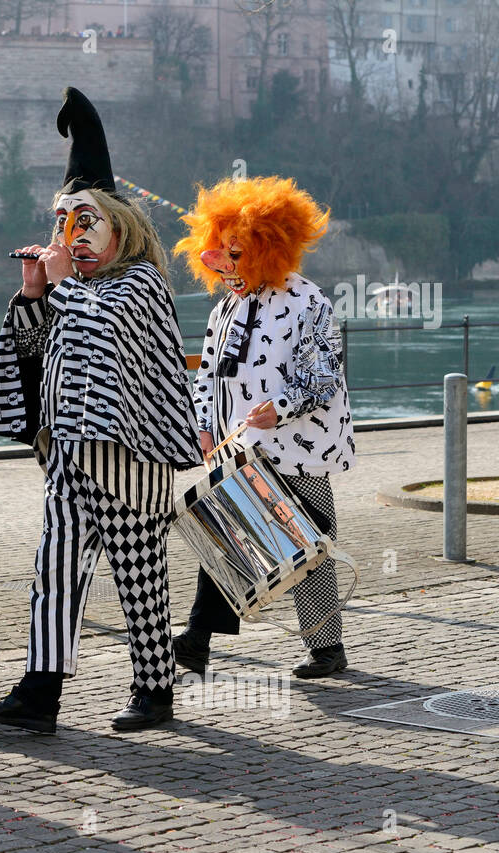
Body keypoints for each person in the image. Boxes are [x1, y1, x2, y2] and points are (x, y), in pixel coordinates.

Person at [0, 88, 201, 733]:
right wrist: (32, 295)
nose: (74, 237)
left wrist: (64, 287)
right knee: (55, 570)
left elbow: (103, 330)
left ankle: (154, 692)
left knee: (140, 582)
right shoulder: (74, 290)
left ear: (119, 229)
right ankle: (40, 693)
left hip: (130, 463)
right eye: (66, 226)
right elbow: (35, 352)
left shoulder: (140, 285)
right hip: (70, 455)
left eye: (87, 224)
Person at [170, 176, 356, 679]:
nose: (225, 266)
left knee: (307, 548)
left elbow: (325, 375)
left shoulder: (308, 302)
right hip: (240, 449)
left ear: (268, 250)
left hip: (301, 451)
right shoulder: (225, 309)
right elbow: (208, 374)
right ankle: (198, 639)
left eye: (237, 255)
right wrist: (204, 426)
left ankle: (325, 648)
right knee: (228, 532)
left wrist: (281, 408)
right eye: (218, 255)